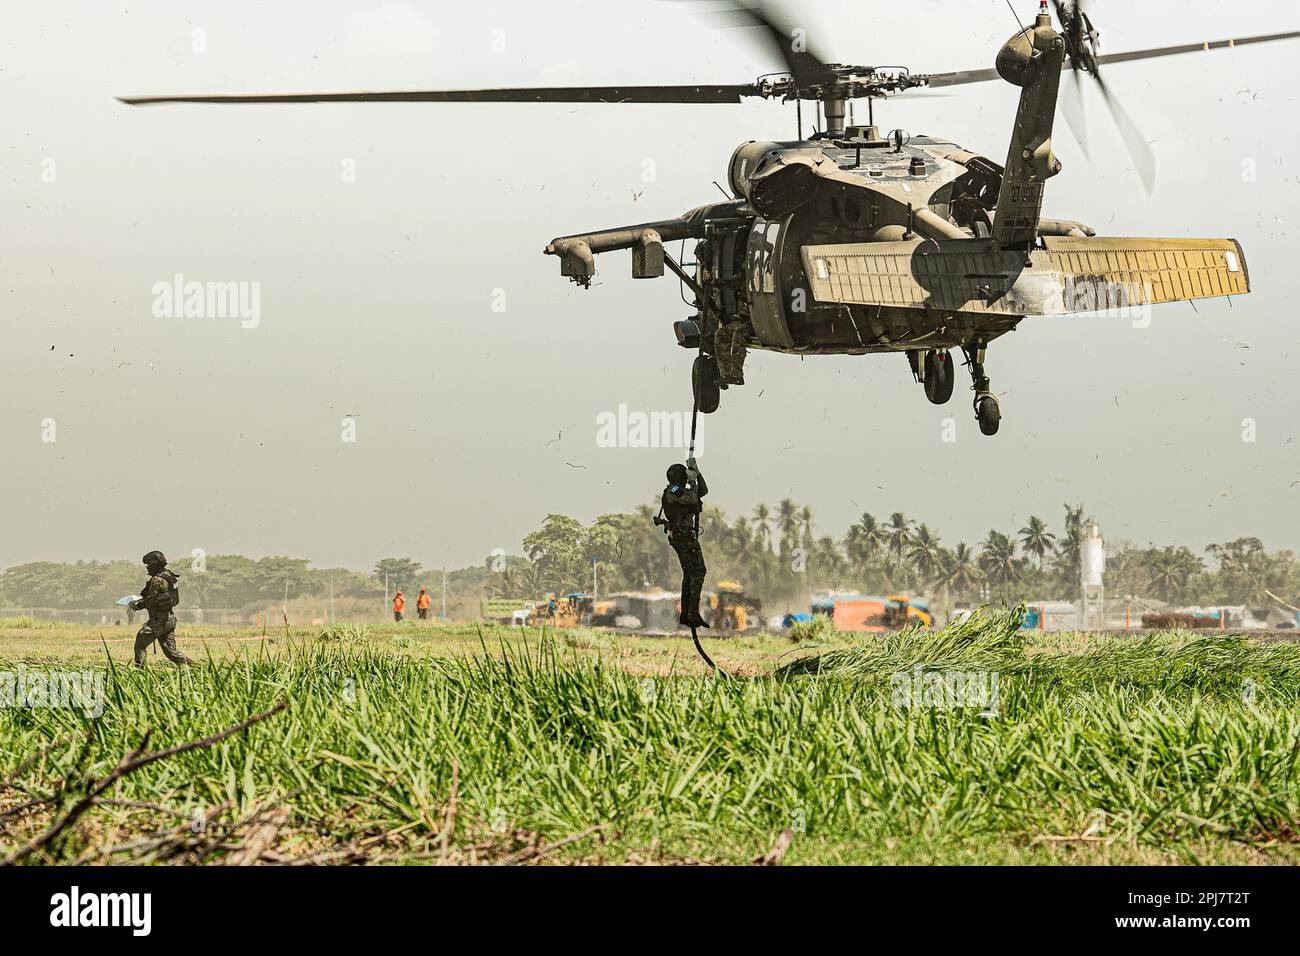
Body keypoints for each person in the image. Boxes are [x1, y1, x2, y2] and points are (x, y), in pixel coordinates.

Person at [659, 457, 710, 628]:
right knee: (698, 571)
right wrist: (692, 481)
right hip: (684, 537)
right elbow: (692, 498)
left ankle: (687, 614)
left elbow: (702, 491)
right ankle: (692, 613)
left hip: (684, 536)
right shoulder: (674, 491)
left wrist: (697, 472)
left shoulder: (679, 490)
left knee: (690, 573)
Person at [131, 550, 193, 667]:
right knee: (172, 653)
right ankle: (195, 667)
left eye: (149, 565)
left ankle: (140, 671)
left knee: (140, 644)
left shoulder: (157, 580)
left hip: (159, 620)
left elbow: (151, 600)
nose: (148, 568)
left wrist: (137, 605)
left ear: (155, 564)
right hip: (169, 619)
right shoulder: (168, 575)